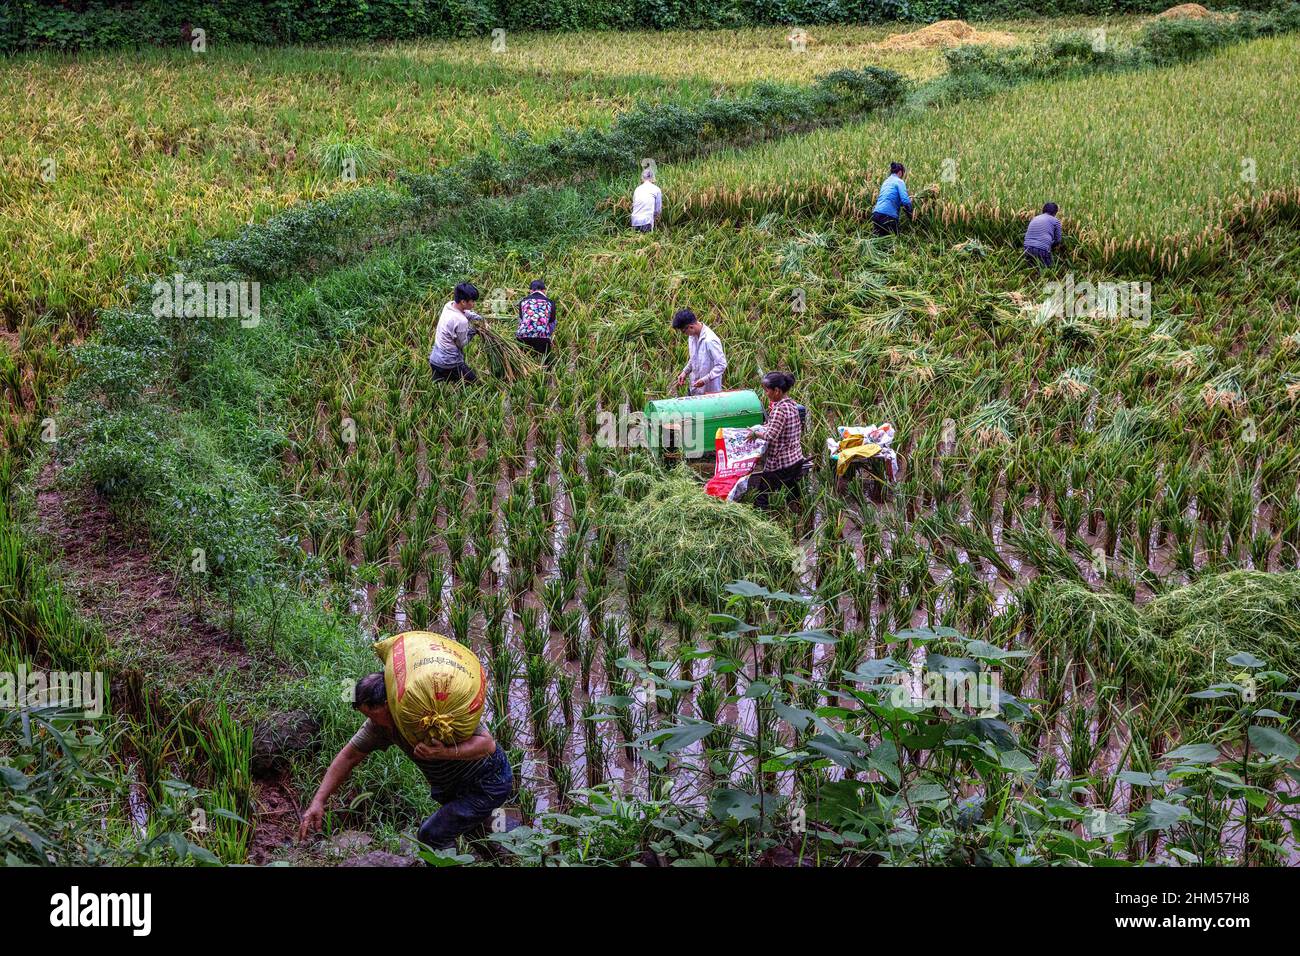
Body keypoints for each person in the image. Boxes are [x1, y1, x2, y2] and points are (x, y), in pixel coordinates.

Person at [299, 672, 513, 852]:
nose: (371, 722)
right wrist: (319, 800)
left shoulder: (432, 708)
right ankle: (516, 853)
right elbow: (348, 756)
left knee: (432, 835)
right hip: (453, 791)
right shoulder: (379, 726)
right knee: (488, 841)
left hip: (487, 781)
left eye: (373, 714)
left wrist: (444, 753)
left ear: (388, 703)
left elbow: (487, 745)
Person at [746, 371, 806, 511]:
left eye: (767, 390)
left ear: (777, 391)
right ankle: (798, 511)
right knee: (792, 491)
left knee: (763, 495)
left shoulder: (779, 409)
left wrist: (755, 433)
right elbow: (777, 427)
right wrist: (763, 427)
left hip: (781, 463)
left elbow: (771, 436)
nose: (766, 394)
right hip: (796, 459)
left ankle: (759, 517)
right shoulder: (791, 404)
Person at [429, 282, 481, 383]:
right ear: (463, 302)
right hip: (449, 363)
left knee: (438, 388)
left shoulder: (449, 305)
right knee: (474, 383)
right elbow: (461, 343)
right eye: (473, 301)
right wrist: (472, 332)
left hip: (435, 360)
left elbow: (464, 312)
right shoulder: (461, 321)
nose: (474, 304)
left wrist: (477, 317)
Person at [672, 308, 727, 395]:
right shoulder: (692, 337)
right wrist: (684, 372)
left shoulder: (710, 340)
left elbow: (721, 365)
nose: (684, 334)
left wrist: (705, 380)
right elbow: (694, 358)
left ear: (691, 326)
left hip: (709, 393)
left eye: (683, 331)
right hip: (694, 389)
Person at [515, 279, 556, 357]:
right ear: (544, 290)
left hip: (523, 337)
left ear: (531, 291)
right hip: (542, 338)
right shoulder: (550, 302)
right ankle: (546, 336)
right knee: (553, 321)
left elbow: (521, 319)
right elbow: (552, 321)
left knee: (522, 319)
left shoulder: (523, 301)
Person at [872, 162, 913, 236]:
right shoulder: (899, 181)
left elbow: (889, 198)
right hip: (888, 216)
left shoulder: (886, 181)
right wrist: (911, 214)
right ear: (900, 172)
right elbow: (905, 201)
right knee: (894, 241)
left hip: (876, 214)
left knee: (879, 242)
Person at [1023, 202, 1063, 268]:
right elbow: (1058, 240)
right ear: (1055, 212)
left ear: (1043, 210)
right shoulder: (1056, 221)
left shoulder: (1035, 218)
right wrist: (1051, 246)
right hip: (1042, 249)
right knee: (1048, 270)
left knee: (1031, 269)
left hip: (1027, 247)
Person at [631, 166, 663, 233]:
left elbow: (634, 205)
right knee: (647, 242)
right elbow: (658, 210)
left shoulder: (637, 189)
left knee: (635, 241)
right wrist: (656, 219)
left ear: (642, 178)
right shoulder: (656, 189)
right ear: (652, 177)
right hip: (646, 221)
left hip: (634, 221)